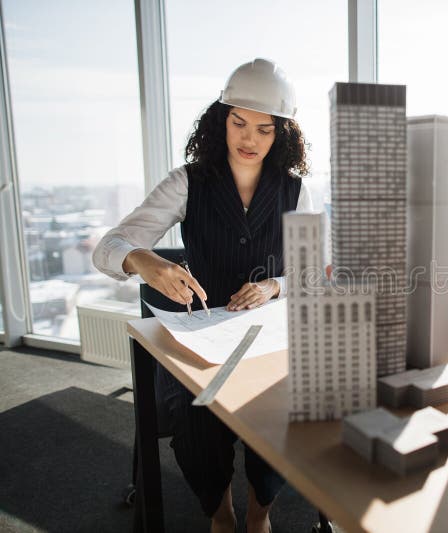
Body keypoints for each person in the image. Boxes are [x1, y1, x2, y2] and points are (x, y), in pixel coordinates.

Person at [93, 58, 312, 533]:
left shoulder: (296, 192)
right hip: (201, 338)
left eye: (264, 129)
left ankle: (259, 514)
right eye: (238, 123)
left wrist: (276, 286)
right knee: (197, 424)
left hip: (268, 337)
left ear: (282, 134)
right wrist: (143, 261)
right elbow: (109, 246)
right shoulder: (187, 182)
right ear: (221, 119)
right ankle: (222, 515)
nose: (249, 139)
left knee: (279, 411)